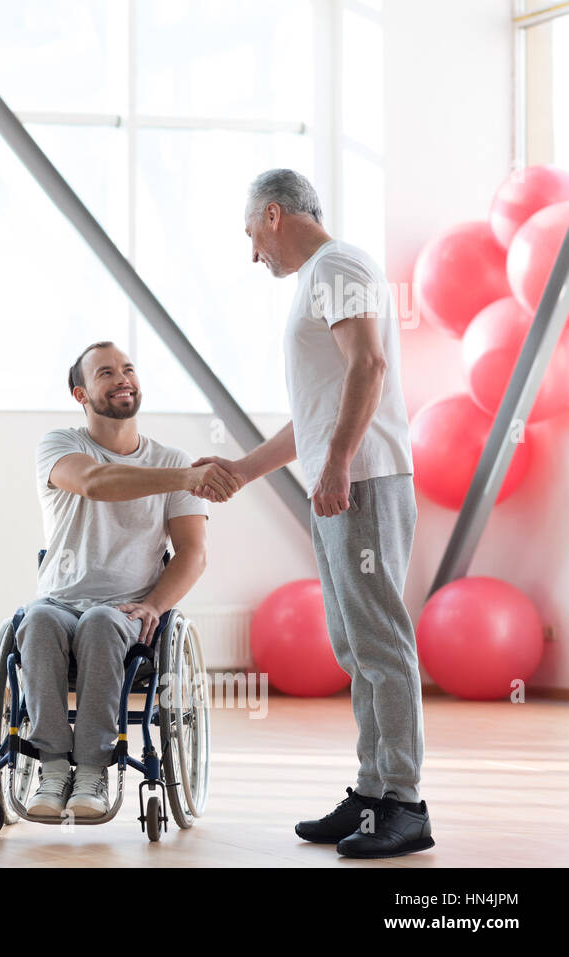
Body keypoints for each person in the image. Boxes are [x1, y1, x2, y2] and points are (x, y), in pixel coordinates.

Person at [193, 168, 433, 858]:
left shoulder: (339, 264)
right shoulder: (319, 279)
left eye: (250, 235)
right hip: (345, 480)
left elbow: (370, 366)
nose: (252, 254)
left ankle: (407, 803)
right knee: (354, 643)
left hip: (365, 482)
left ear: (274, 215)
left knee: (380, 640)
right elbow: (315, 413)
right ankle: (373, 791)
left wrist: (336, 466)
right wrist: (244, 469)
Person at [19, 341, 237, 818]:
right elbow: (97, 484)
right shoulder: (61, 445)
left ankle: (92, 771)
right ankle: (53, 768)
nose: (122, 378)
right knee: (36, 622)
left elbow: (193, 554)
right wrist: (183, 479)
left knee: (100, 621)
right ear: (81, 393)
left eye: (128, 368)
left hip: (124, 609)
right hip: (59, 599)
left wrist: (156, 605)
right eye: (105, 373)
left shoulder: (171, 459)